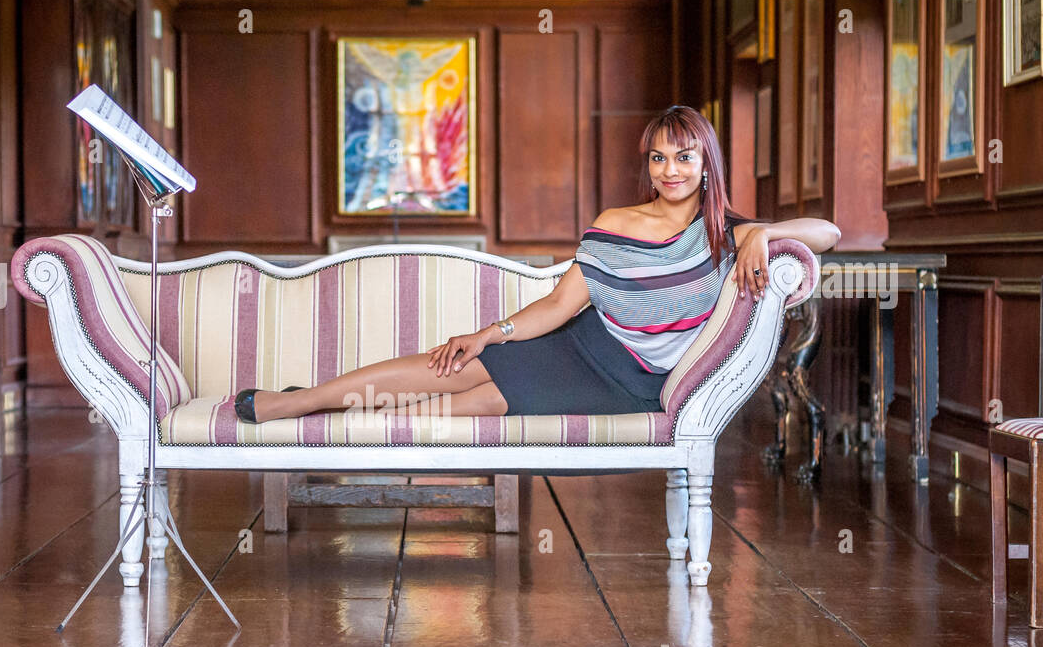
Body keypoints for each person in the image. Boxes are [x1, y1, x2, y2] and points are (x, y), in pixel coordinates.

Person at [233, 104, 840, 424]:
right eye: (657, 159)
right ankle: (299, 403)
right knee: (449, 368)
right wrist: (485, 334)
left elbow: (829, 232)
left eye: (683, 157)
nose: (669, 171)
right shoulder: (617, 222)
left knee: (473, 405)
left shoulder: (731, 235)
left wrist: (762, 231)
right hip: (581, 345)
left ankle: (326, 414)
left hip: (637, 384)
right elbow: (558, 304)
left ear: (707, 162)